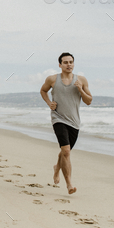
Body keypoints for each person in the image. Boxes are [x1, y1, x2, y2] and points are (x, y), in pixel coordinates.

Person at [40, 52, 92, 194]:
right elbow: (43, 91)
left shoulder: (81, 80)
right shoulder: (52, 79)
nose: (69, 64)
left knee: (65, 151)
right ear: (60, 65)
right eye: (65, 62)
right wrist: (49, 103)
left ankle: (57, 167)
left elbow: (89, 101)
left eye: (71, 62)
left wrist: (80, 89)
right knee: (66, 151)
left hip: (74, 122)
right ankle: (69, 184)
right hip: (58, 118)